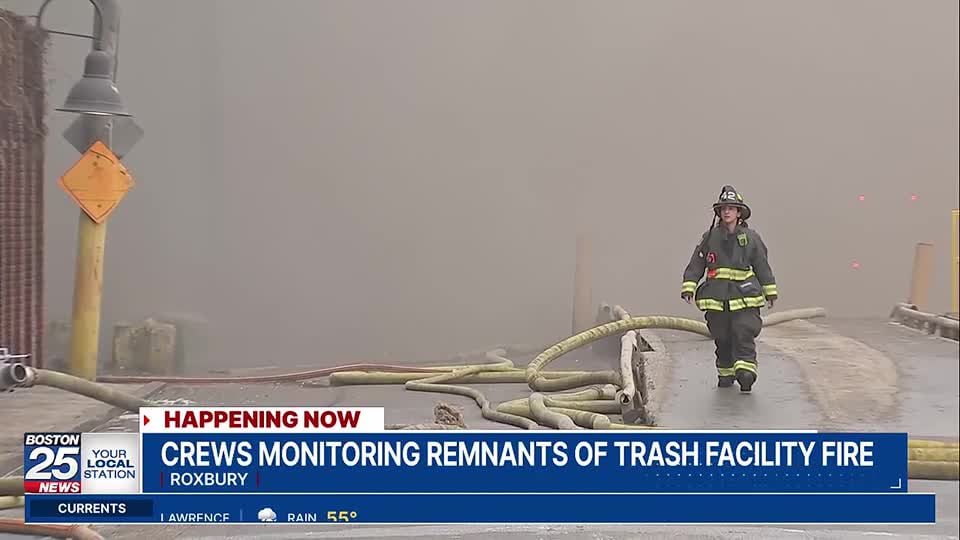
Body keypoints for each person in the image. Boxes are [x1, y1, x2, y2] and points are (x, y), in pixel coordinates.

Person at [680, 185, 778, 392]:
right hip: (716, 298)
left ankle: (746, 373)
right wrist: (689, 286)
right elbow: (697, 264)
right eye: (724, 208)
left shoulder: (751, 238)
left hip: (745, 298)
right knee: (722, 337)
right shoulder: (709, 238)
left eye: (731, 208)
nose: (727, 212)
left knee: (743, 332)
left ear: (739, 213)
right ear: (719, 212)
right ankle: (726, 373)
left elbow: (762, 265)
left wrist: (770, 291)